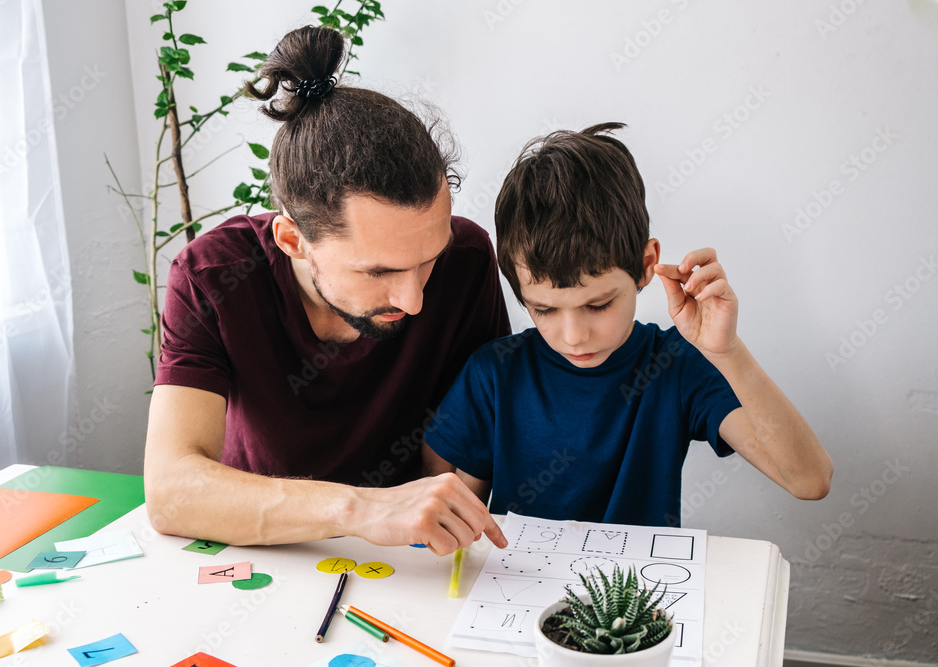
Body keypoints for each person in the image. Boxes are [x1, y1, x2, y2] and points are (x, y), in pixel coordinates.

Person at [144, 26, 509, 555]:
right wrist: (360, 508)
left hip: (412, 558)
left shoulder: (467, 258)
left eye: (428, 260)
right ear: (293, 240)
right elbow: (171, 493)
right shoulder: (212, 275)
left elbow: (480, 433)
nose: (414, 301)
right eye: (378, 272)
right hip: (266, 551)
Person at [422, 122, 833, 527]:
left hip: (630, 594)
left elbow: (809, 481)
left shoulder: (678, 366)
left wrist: (726, 351)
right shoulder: (493, 374)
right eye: (545, 310)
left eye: (598, 304)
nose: (573, 336)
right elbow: (454, 522)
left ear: (646, 265)